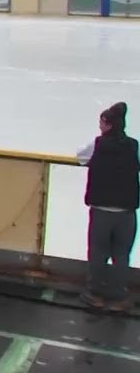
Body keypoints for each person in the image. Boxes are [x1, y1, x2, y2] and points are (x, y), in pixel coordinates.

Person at [75, 102, 138, 311]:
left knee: (98, 251)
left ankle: (94, 293)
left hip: (102, 209)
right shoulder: (133, 145)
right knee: (121, 254)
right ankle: (119, 295)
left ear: (108, 124)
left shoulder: (98, 144)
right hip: (126, 212)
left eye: (102, 122)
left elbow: (81, 157)